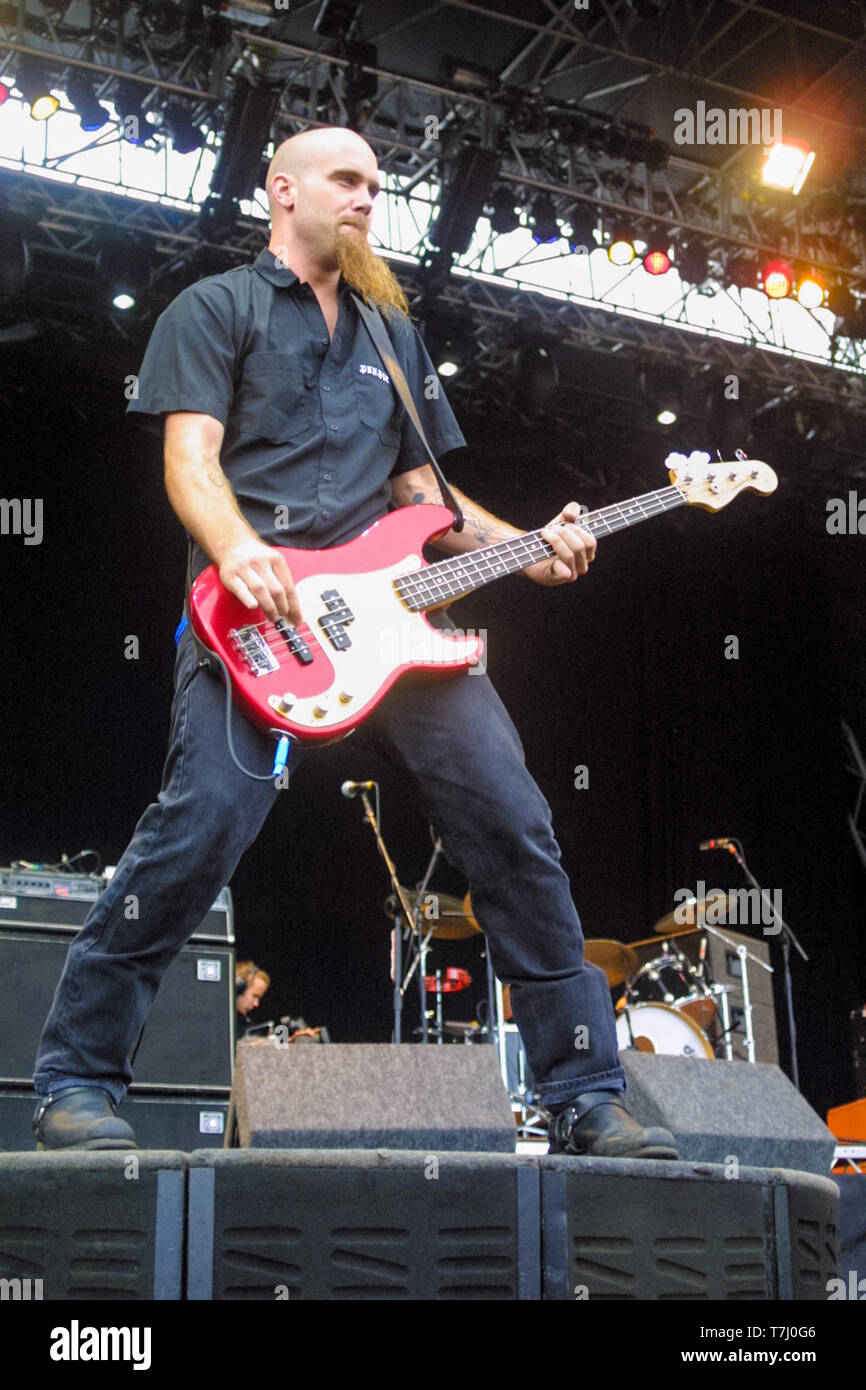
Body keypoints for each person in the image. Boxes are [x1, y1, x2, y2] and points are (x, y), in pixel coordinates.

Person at [32, 125, 677, 1160]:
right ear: (281, 191)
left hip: (395, 622)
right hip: (257, 615)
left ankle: (584, 1095)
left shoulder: (391, 332)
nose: (366, 198)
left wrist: (532, 549)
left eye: (376, 185)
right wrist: (236, 546)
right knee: (196, 831)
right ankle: (74, 1081)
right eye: (346, 180)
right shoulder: (215, 308)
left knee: (513, 824)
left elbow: (423, 497)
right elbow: (189, 460)